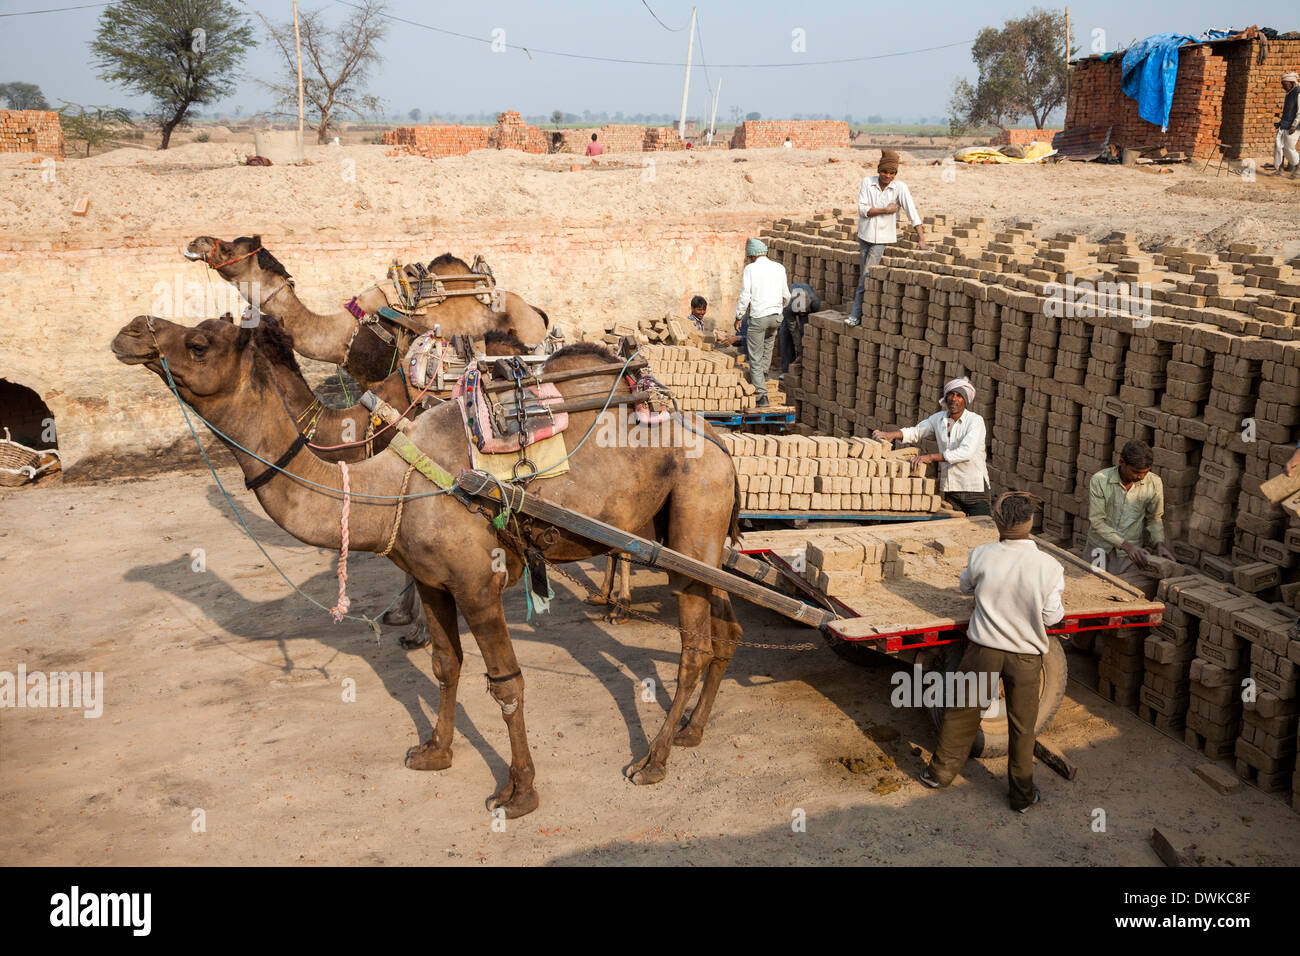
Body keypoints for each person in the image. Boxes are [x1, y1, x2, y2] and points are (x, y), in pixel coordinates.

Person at [921, 492, 1065, 813]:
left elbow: (964, 587)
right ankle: (1022, 795)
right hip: (1026, 656)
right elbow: (1052, 617)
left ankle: (939, 774)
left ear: (997, 522)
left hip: (983, 648)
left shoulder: (982, 554)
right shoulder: (1049, 566)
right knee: (1022, 725)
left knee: (962, 712)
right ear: (1030, 523)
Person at [872, 377, 990, 516]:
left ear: (965, 400)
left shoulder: (975, 421)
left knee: (980, 530)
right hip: (951, 488)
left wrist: (931, 457)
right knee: (955, 532)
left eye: (959, 396)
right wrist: (891, 435)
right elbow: (916, 431)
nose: (954, 399)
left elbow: (966, 452)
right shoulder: (938, 419)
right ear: (945, 398)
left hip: (974, 488)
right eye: (951, 395)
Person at [1084, 439, 1175, 600]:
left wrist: (1159, 544)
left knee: (1121, 598)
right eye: (1135, 472)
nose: (1141, 476)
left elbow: (1154, 518)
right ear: (1121, 463)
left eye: (1145, 472)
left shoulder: (1154, 483)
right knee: (1091, 593)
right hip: (1099, 549)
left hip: (1128, 556)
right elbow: (1097, 522)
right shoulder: (1100, 480)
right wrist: (1127, 546)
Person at [848, 149, 927, 325]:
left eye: (892, 173)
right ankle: (867, 312)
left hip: (882, 239)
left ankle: (855, 315)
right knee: (864, 275)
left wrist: (921, 238)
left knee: (866, 276)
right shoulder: (867, 183)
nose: (887, 176)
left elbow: (911, 211)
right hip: (864, 235)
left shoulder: (900, 187)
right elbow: (862, 210)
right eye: (885, 172)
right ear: (879, 171)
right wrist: (885, 210)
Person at [734, 237, 791, 407]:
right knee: (767, 348)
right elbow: (786, 295)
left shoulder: (750, 269)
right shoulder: (779, 267)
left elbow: (745, 295)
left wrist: (739, 316)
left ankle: (761, 395)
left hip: (759, 318)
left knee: (755, 356)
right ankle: (764, 377)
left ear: (752, 256)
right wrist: (779, 308)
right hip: (776, 316)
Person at [780, 281, 821, 376]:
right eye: (799, 313)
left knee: (806, 332)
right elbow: (793, 329)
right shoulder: (788, 306)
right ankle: (787, 369)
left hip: (807, 304)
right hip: (790, 306)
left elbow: (815, 322)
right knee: (785, 333)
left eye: (803, 313)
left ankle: (806, 365)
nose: (800, 315)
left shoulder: (815, 303)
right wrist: (799, 348)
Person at [1275, 72, 1299, 176]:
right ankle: (1280, 170)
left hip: (1293, 126)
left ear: (1291, 82)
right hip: (1284, 124)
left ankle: (1298, 166)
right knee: (1278, 146)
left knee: (1289, 148)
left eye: (1285, 84)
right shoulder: (1289, 93)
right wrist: (1280, 122)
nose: (1283, 86)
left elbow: (1299, 111)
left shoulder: (1298, 92)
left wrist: (1294, 124)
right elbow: (1288, 111)